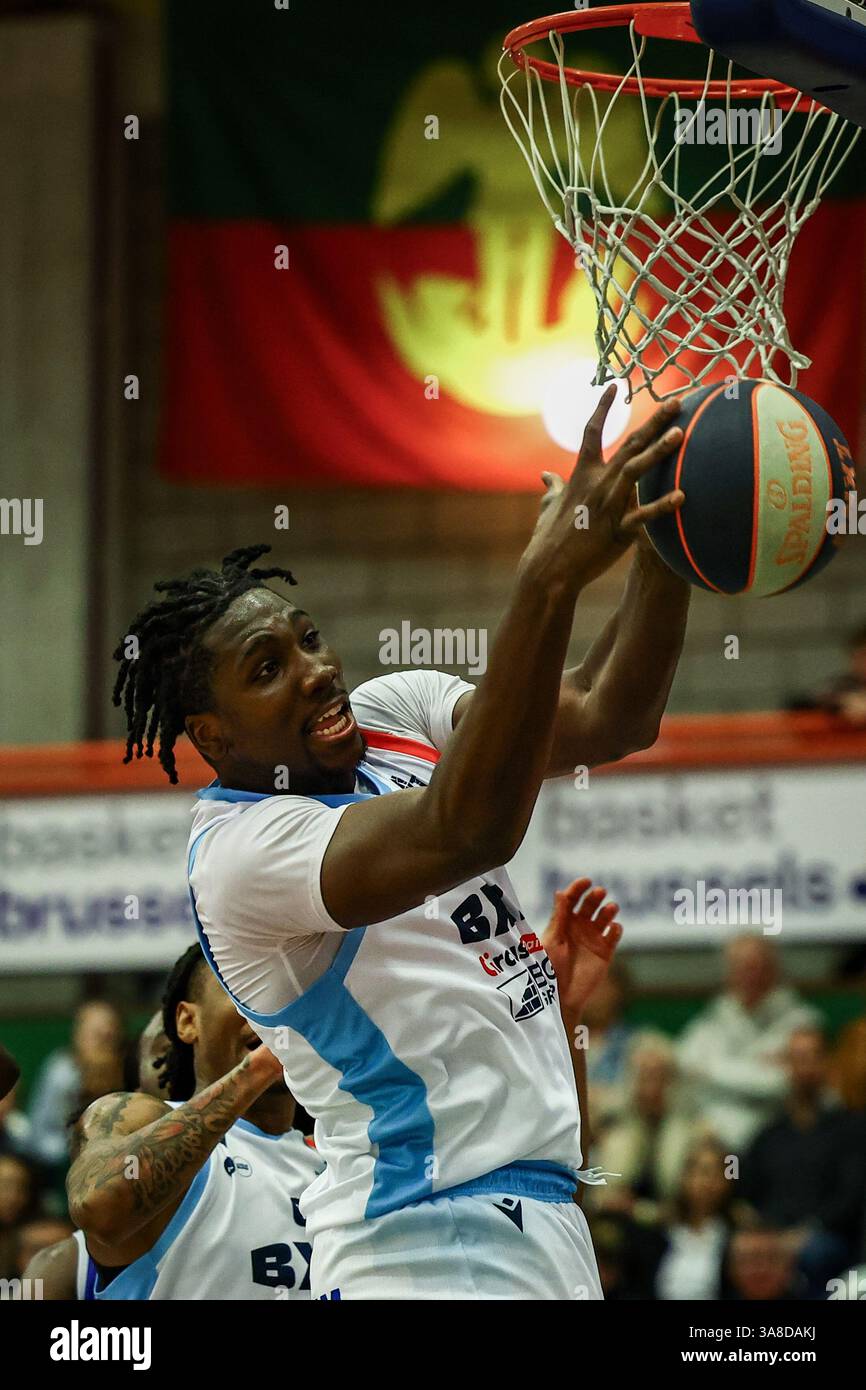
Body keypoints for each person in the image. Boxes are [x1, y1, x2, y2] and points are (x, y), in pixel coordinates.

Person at [111, 391, 691, 1300]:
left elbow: (612, 713)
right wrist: (547, 577)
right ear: (215, 738)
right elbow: (469, 826)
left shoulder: (392, 712)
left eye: (306, 640)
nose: (315, 671)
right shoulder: (239, 854)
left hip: (539, 1222)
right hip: (422, 1243)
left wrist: (670, 529)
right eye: (269, 671)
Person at [66, 945, 324, 1300]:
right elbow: (99, 1206)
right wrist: (260, 1069)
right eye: (245, 990)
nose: (271, 1010)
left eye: (286, 995)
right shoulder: (139, 1117)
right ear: (188, 1021)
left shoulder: (336, 1157)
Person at [738, 1025, 866, 1295]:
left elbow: (852, 1195)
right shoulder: (769, 1134)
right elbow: (739, 1175)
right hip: (772, 1235)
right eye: (797, 1058)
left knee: (813, 1253)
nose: (805, 1068)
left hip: (827, 1236)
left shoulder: (852, 1127)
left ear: (827, 1063)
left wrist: (807, 1231)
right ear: (786, 1066)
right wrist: (739, 1199)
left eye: (812, 1057)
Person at [677, 935, 819, 1152]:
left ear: (774, 970)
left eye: (757, 967)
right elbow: (685, 1062)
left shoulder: (800, 1021)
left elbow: (782, 1083)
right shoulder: (715, 1016)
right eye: (740, 967)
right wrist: (757, 1068)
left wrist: (710, 1070)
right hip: (716, 1134)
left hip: (779, 1131)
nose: (750, 976)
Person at [591, 1035, 709, 1225]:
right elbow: (600, 1197)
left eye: (659, 1076)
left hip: (673, 1228)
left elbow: (688, 1203)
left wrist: (643, 1211)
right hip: (617, 1226)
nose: (651, 1087)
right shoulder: (609, 1123)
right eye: (643, 1076)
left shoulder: (694, 1131)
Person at [26, 1001, 125, 1168]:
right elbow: (38, 1136)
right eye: (97, 1035)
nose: (103, 1044)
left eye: (109, 1036)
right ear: (77, 1035)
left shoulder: (129, 1072)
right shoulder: (60, 1072)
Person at [654, 1138, 735, 1301]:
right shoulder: (659, 1232)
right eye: (702, 1172)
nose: (708, 1183)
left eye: (717, 1173)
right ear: (684, 1176)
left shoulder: (734, 1235)